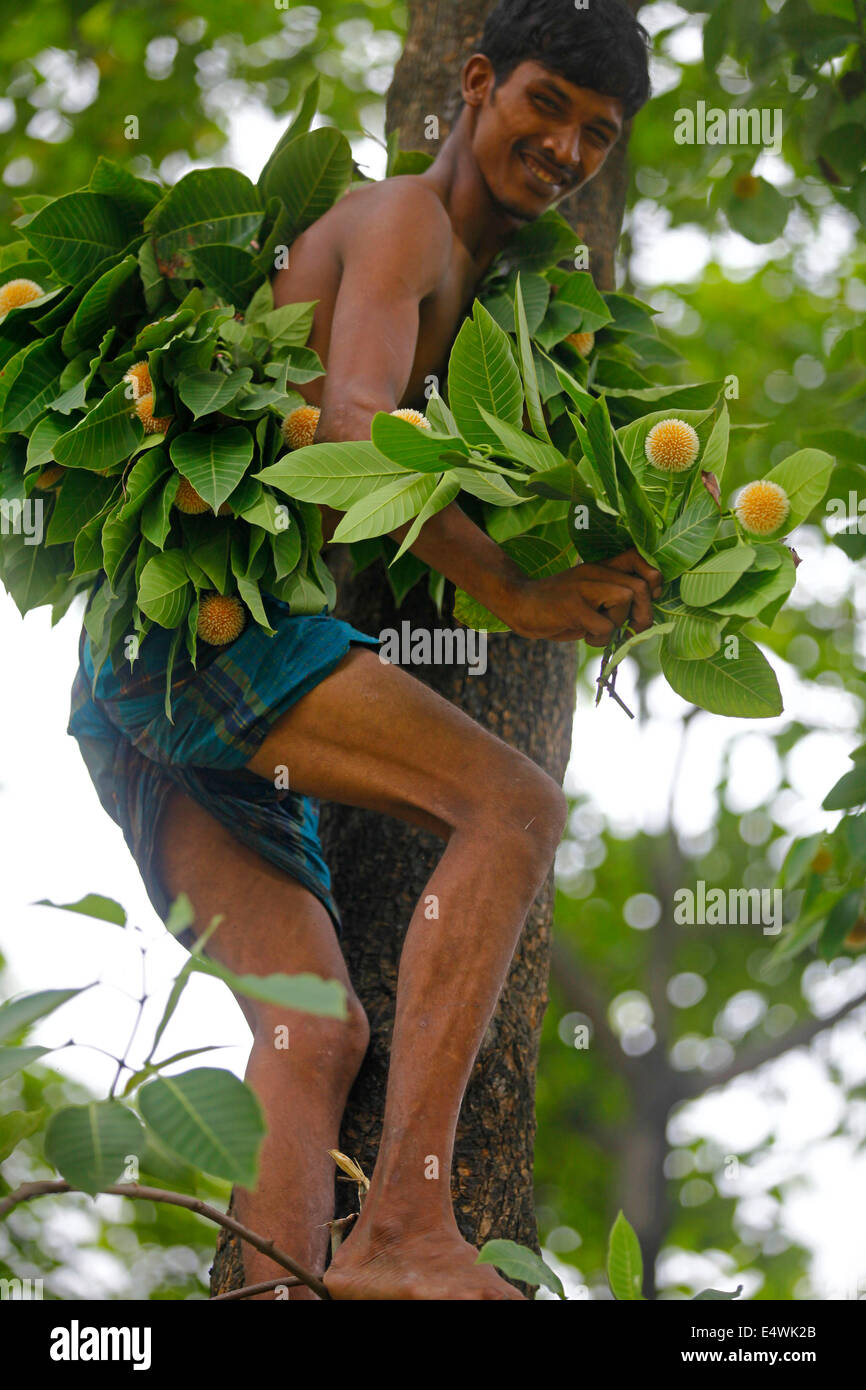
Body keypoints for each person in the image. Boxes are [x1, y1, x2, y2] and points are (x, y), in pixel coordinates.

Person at [68, 0, 659, 1300]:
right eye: (545, 105)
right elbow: (354, 428)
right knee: (512, 807)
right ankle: (402, 1226)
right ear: (476, 81)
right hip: (208, 630)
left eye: (596, 133)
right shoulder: (405, 221)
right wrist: (513, 591)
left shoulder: (491, 293)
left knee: (312, 1027)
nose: (565, 149)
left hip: (137, 681)